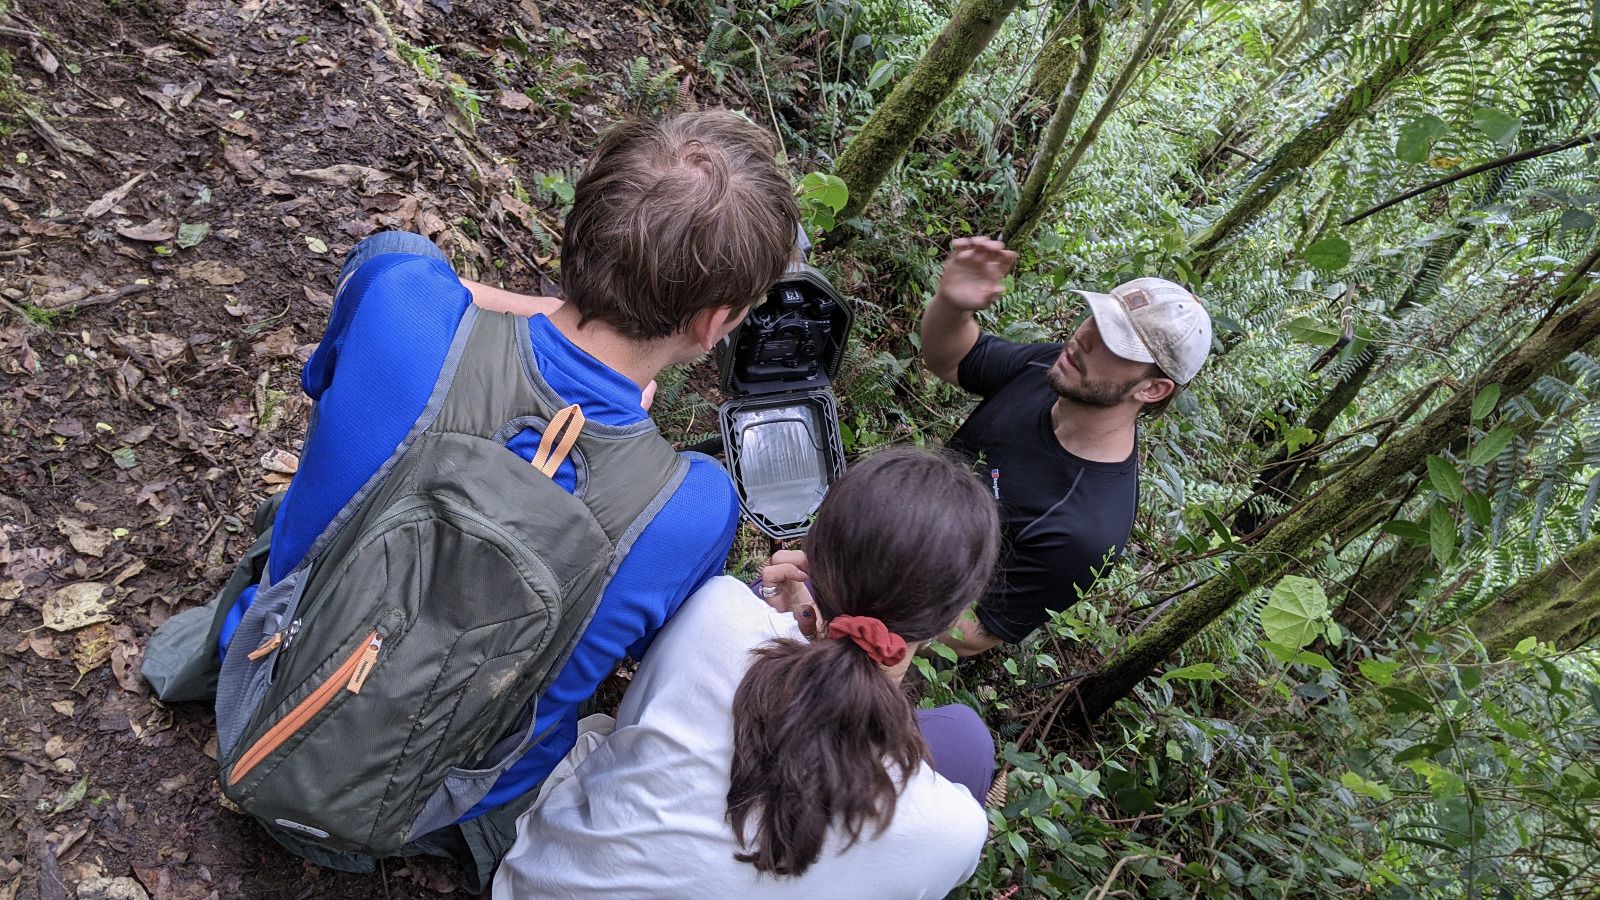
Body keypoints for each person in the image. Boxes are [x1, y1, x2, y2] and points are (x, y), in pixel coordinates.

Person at [216, 111, 798, 886]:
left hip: (256, 692)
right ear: (715, 322)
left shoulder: (402, 297)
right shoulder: (691, 504)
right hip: (428, 807)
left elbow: (367, 337)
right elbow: (635, 660)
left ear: (579, 225)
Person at [493, 447, 1001, 899]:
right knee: (965, 741)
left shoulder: (720, 612)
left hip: (540, 884)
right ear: (953, 620)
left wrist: (771, 613)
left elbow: (633, 728)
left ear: (813, 548)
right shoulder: (952, 831)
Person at [919, 237, 1213, 655]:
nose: (1083, 337)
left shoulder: (1087, 528)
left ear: (1153, 388)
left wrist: (876, 614)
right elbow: (950, 358)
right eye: (1096, 318)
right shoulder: (1060, 367)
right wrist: (952, 304)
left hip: (899, 617)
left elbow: (977, 632)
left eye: (1116, 343)